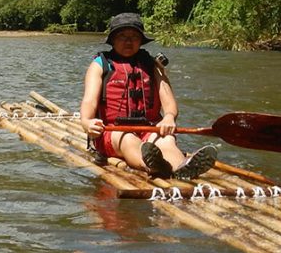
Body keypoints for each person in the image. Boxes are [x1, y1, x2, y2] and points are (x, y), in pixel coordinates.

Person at [80, 13, 217, 180]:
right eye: (122, 36)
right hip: (113, 131)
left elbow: (168, 99)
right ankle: (152, 165)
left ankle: (182, 167)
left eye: (134, 37)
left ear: (141, 40)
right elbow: (89, 101)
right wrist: (87, 122)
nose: (128, 41)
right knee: (128, 139)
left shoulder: (152, 65)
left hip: (149, 128)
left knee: (166, 140)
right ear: (113, 40)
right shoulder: (100, 65)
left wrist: (168, 117)